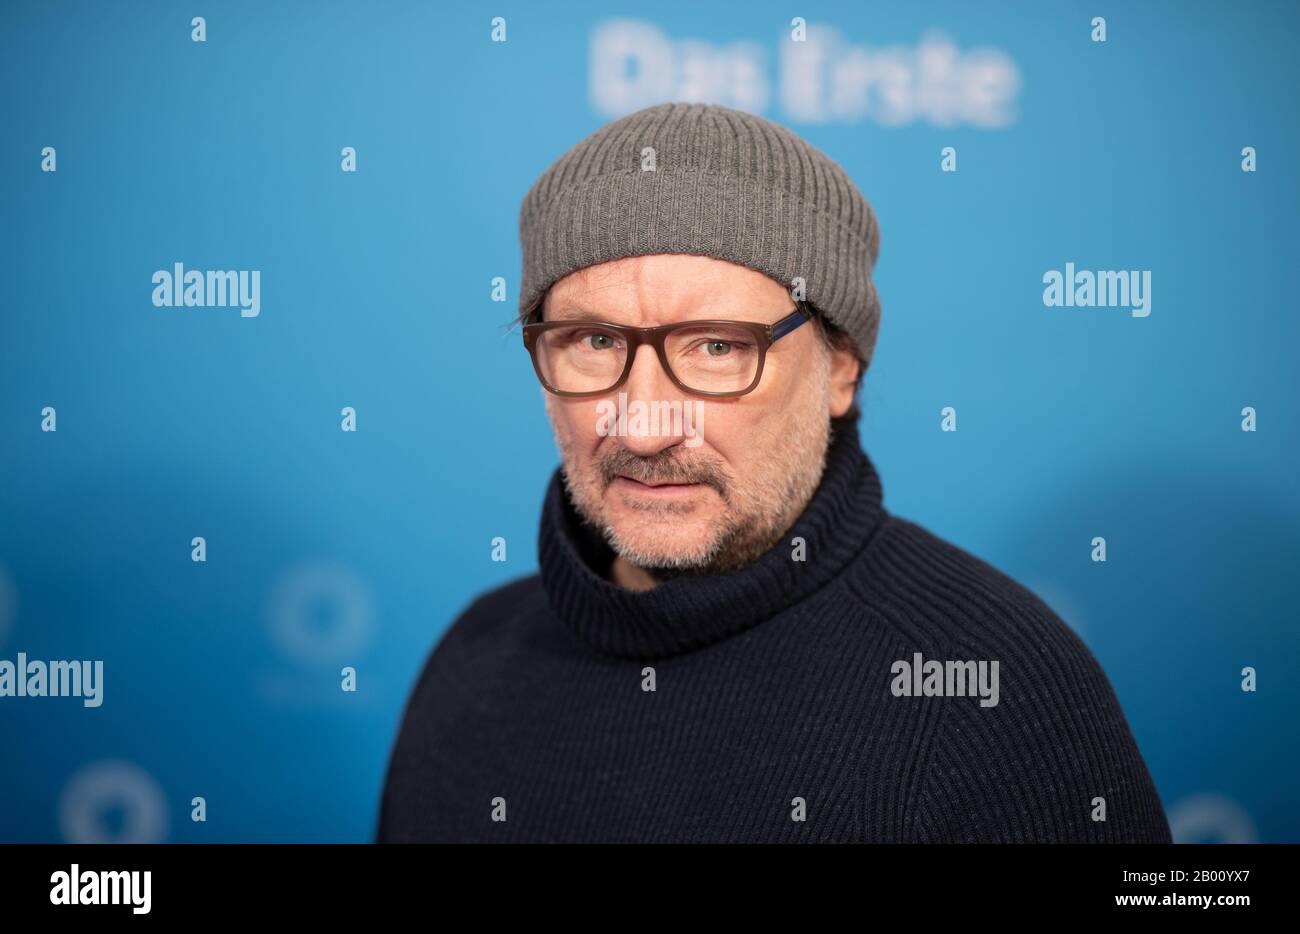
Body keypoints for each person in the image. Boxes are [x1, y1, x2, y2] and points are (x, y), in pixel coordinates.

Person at [376, 102, 1171, 843]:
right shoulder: (474, 659)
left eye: (718, 347)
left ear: (840, 370)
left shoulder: (993, 688)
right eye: (595, 342)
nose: (646, 424)